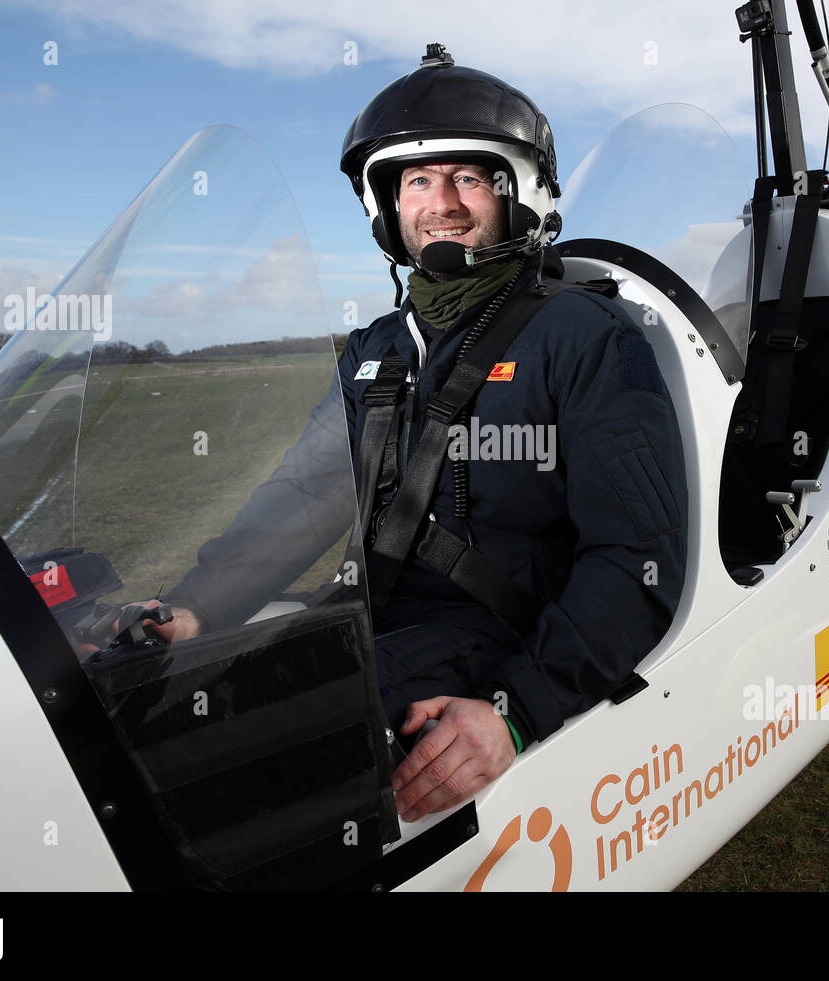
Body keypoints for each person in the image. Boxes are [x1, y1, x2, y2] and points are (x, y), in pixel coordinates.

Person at [142, 44, 688, 823]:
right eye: (419, 181)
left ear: (517, 196)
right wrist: (199, 605)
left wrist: (516, 708)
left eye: (470, 177)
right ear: (389, 209)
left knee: (236, 767)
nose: (444, 202)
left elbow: (637, 558)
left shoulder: (585, 336)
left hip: (495, 637)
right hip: (364, 613)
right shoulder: (376, 348)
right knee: (156, 714)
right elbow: (306, 493)